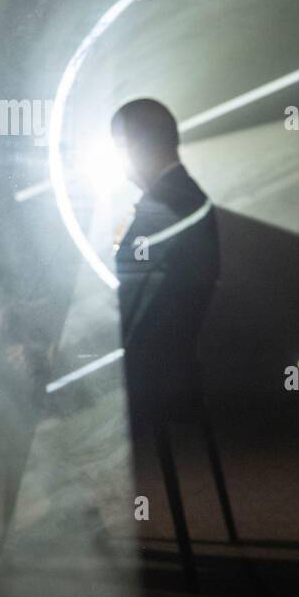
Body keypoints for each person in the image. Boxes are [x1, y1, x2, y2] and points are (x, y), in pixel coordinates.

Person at [110, 98, 220, 430]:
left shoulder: (167, 206)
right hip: (158, 359)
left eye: (118, 146)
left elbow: (117, 293)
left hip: (142, 368)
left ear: (136, 148)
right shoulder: (181, 197)